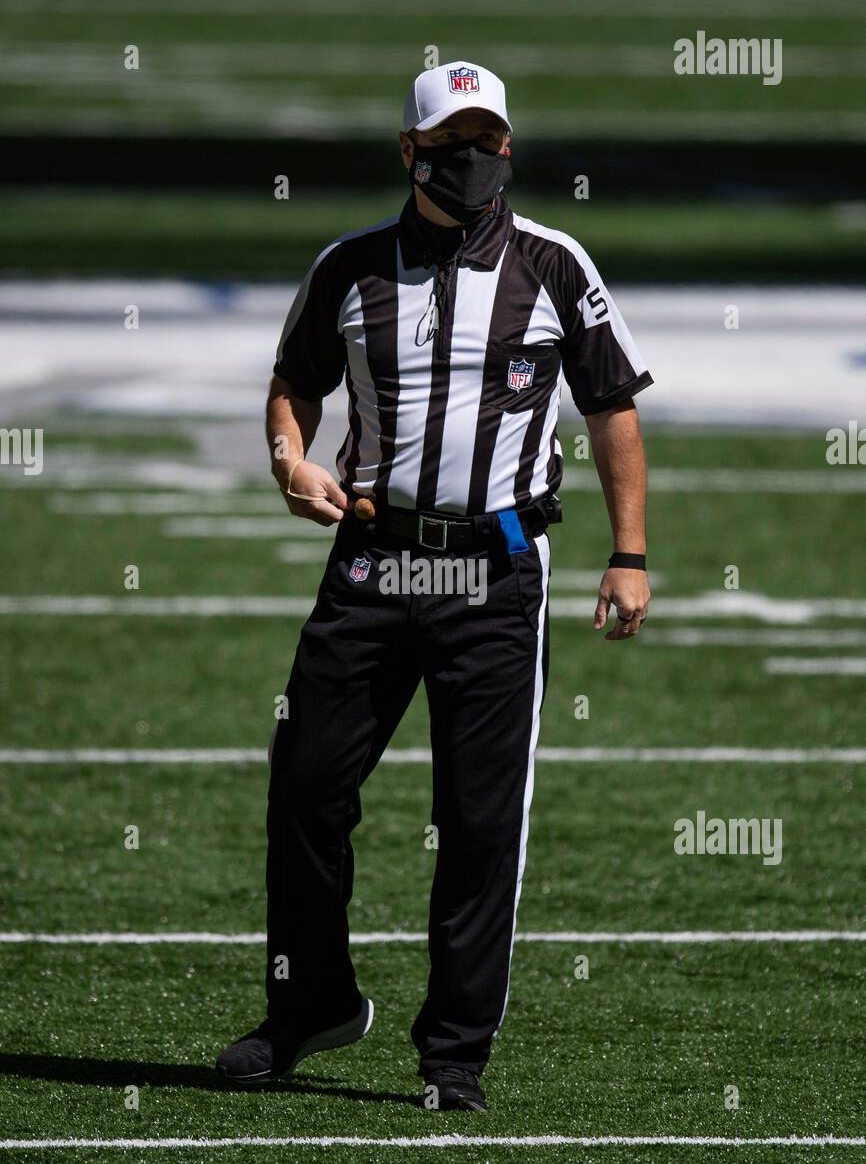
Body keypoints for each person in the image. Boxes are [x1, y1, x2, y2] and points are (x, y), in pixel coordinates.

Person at [217, 61, 652, 1110]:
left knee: (478, 818)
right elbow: (294, 383)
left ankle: (453, 1052)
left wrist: (629, 552)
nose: (476, 156)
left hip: (496, 565)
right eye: (453, 139)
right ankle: (309, 1002)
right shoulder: (350, 267)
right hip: (371, 559)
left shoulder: (552, 263)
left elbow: (609, 408)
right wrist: (289, 459)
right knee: (306, 784)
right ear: (409, 153)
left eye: (489, 136)